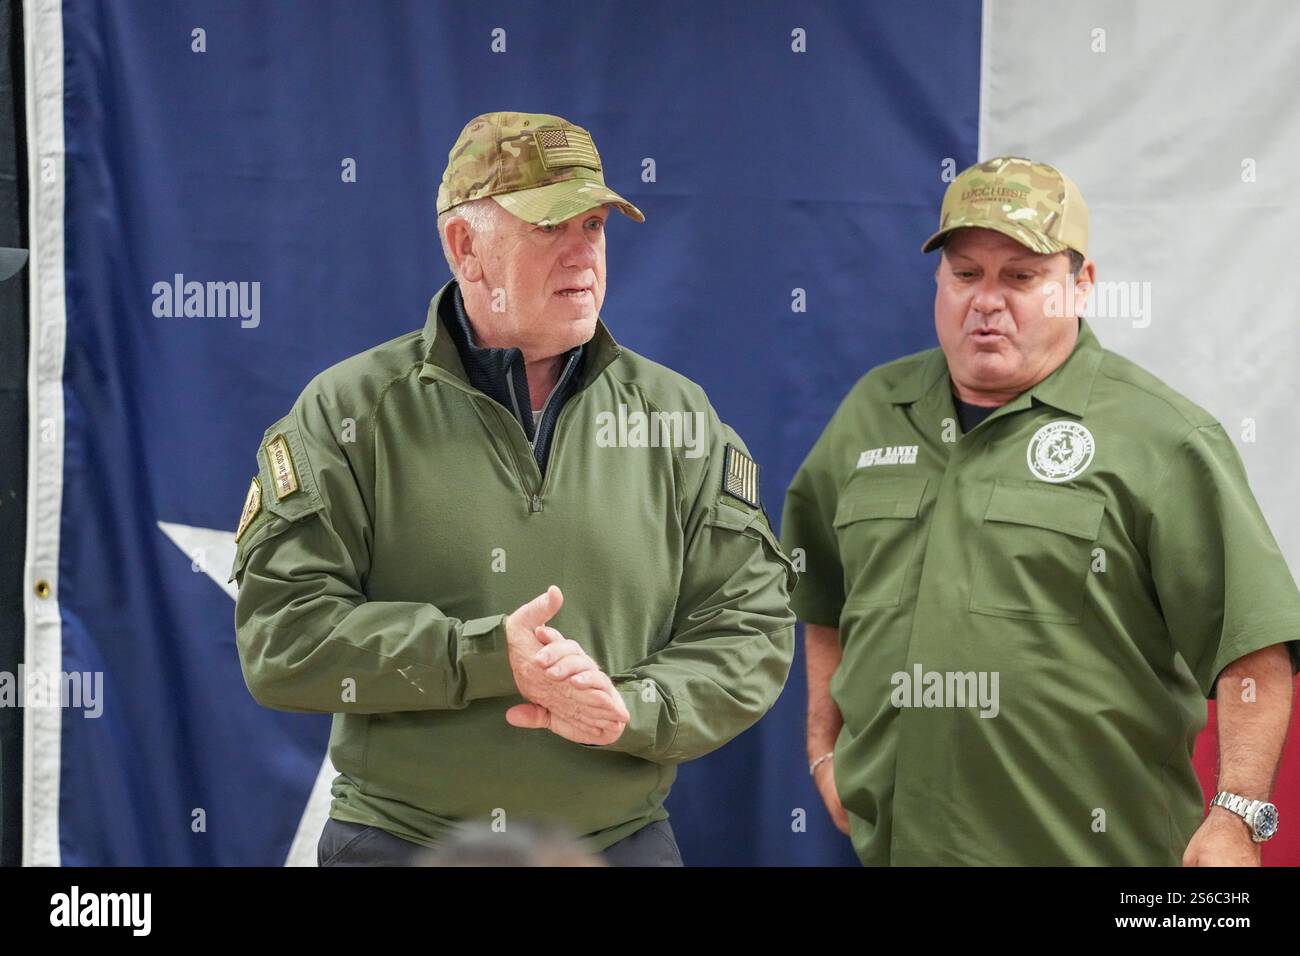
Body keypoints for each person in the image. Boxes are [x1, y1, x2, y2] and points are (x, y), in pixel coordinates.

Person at [230, 111, 797, 866]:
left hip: (615, 845)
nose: (583, 256)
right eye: (551, 228)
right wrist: (486, 656)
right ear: (465, 247)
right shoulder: (350, 413)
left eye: (594, 227)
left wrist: (632, 709)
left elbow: (752, 625)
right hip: (402, 846)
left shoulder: (676, 417)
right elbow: (280, 638)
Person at [781, 156, 1300, 866]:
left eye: (1021, 277)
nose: (987, 301)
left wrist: (1237, 813)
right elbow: (824, 591)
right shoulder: (874, 411)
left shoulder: (1162, 437)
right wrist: (821, 746)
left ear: (1080, 287)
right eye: (966, 275)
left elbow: (1254, 643)